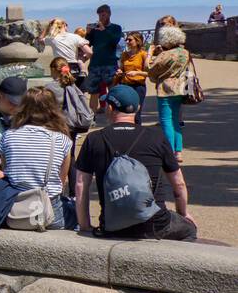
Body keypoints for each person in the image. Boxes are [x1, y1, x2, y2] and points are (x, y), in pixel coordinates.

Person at [75, 85, 197, 240]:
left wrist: (84, 225)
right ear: (138, 108)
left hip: (112, 226)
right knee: (190, 230)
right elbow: (179, 184)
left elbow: (80, 185)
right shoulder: (157, 138)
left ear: (110, 108)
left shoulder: (95, 139)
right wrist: (183, 213)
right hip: (155, 224)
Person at [0, 87, 77, 229]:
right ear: (53, 109)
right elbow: (62, 180)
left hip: (15, 209)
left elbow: (6, 171)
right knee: (74, 212)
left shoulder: (8, 136)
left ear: (23, 107)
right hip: (49, 209)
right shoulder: (62, 140)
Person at [46, 58, 92, 192]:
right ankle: (73, 190)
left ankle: (54, 185)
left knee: (55, 155)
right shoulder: (71, 83)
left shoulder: (51, 87)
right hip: (72, 124)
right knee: (70, 157)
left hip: (57, 125)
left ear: (54, 70)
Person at [147, 22, 190, 160]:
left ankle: (169, 151)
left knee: (166, 120)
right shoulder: (184, 52)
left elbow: (150, 69)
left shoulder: (165, 54)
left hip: (165, 89)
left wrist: (150, 53)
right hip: (180, 88)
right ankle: (178, 151)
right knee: (176, 120)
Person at [84, 4, 123, 117]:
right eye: (100, 14)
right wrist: (88, 33)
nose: (101, 16)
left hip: (110, 63)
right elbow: (88, 43)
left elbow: (114, 41)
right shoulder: (95, 30)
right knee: (94, 92)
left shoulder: (116, 28)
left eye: (104, 14)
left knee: (112, 91)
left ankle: (114, 115)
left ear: (109, 14)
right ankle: (92, 118)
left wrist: (104, 29)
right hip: (95, 64)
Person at [39, 17, 92, 83]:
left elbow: (40, 40)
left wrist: (47, 27)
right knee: (75, 89)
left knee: (61, 90)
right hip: (74, 67)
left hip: (59, 66)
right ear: (64, 25)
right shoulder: (75, 37)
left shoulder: (53, 39)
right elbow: (89, 52)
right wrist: (83, 59)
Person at [113, 31, 148, 125]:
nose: (127, 41)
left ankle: (138, 133)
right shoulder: (124, 55)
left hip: (138, 87)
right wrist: (119, 72)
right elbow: (121, 68)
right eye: (126, 39)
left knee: (136, 113)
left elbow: (149, 73)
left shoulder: (143, 54)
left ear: (138, 41)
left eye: (130, 40)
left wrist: (136, 73)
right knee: (124, 111)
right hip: (125, 86)